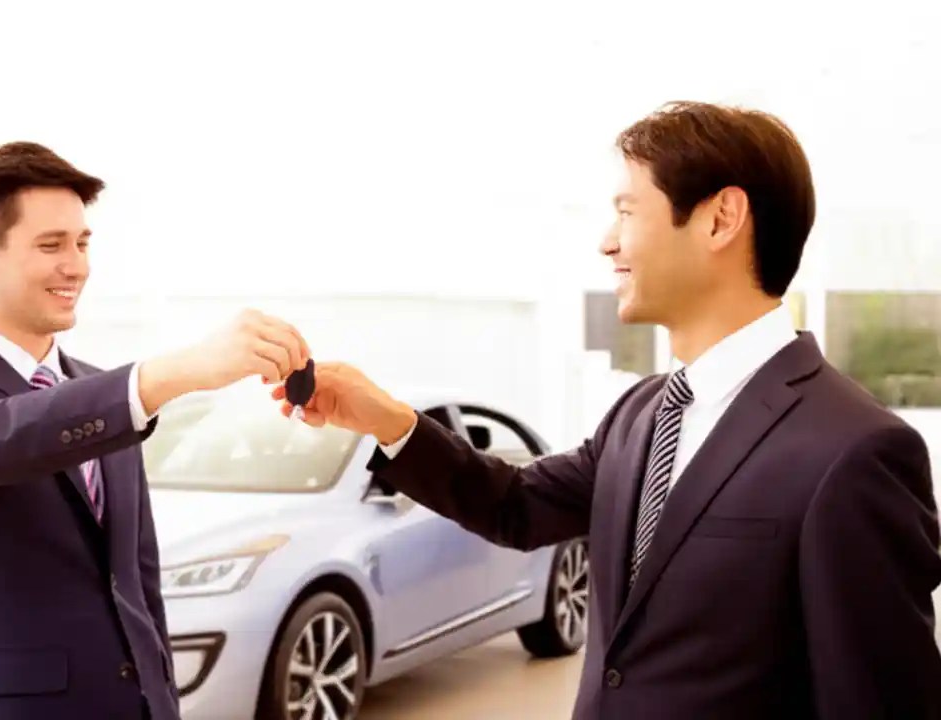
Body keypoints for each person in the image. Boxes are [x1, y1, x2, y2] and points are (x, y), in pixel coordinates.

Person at [275, 102, 941, 719]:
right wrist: (386, 418)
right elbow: (516, 505)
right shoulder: (643, 412)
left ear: (720, 218)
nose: (606, 242)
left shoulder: (854, 453)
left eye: (627, 211)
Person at [0, 141, 310, 720]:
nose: (76, 265)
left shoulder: (105, 393)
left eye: (82, 242)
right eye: (50, 245)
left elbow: (138, 582)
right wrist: (172, 374)